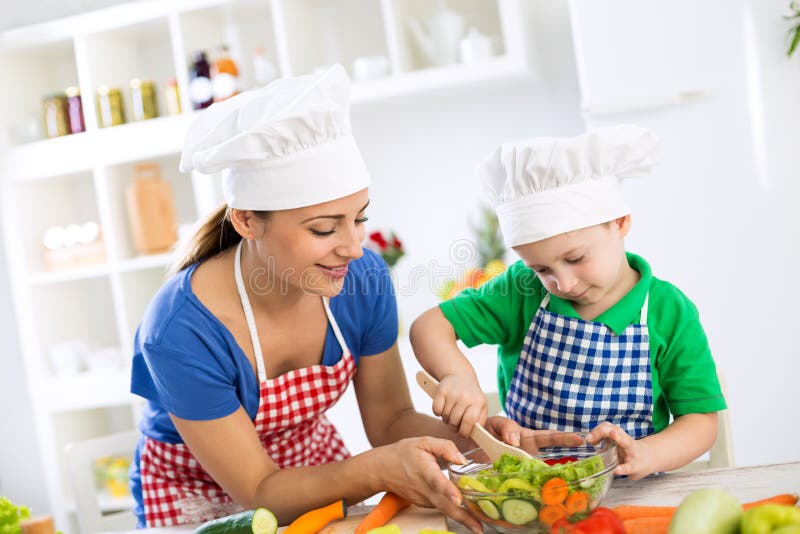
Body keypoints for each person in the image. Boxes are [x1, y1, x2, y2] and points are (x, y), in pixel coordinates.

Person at [127, 65, 561, 532]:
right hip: (201, 503)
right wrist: (375, 468)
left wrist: (478, 442)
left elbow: (390, 420)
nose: (354, 248)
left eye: (359, 219)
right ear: (248, 221)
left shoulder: (361, 278)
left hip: (316, 475)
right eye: (323, 228)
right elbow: (259, 491)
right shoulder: (180, 331)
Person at [410, 124, 727, 480]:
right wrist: (458, 376)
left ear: (620, 222)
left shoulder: (669, 312)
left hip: (629, 490)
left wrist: (648, 454)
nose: (563, 282)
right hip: (528, 486)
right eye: (542, 268)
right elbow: (429, 326)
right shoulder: (523, 288)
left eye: (575, 258)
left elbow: (701, 423)